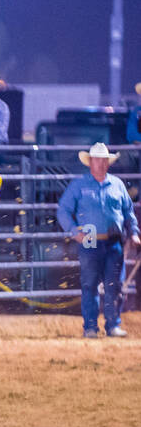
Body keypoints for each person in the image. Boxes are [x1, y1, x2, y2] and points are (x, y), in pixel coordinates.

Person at [56, 143, 140, 338]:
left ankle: (112, 325)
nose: (101, 164)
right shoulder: (79, 185)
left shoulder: (117, 184)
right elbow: (63, 210)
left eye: (104, 160)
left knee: (115, 285)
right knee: (90, 284)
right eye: (97, 160)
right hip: (90, 239)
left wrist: (133, 232)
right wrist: (73, 230)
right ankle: (91, 327)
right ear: (90, 162)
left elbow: (128, 212)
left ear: (107, 163)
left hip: (113, 240)